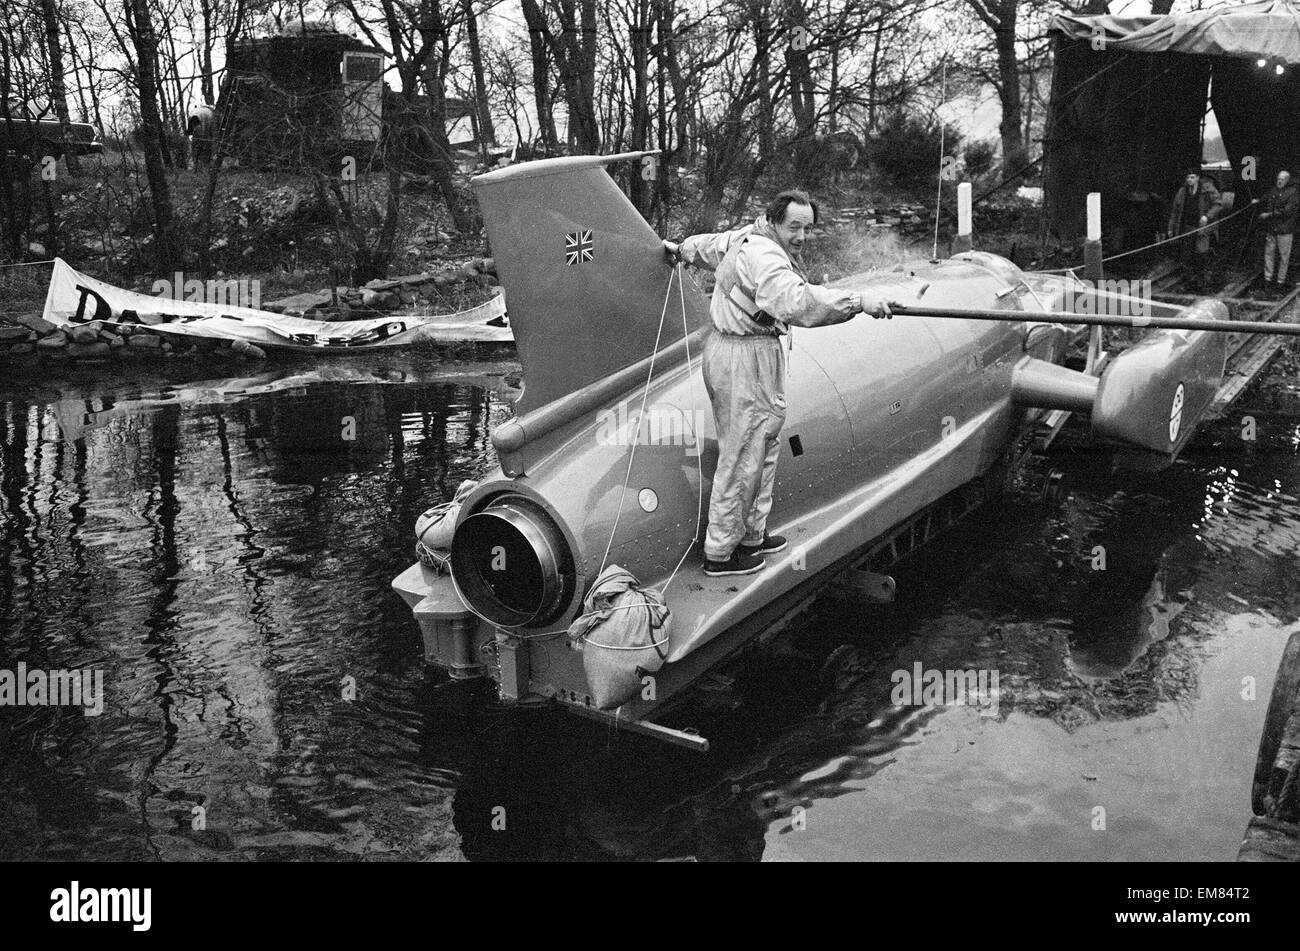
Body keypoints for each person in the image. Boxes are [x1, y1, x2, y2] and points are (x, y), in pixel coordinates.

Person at [663, 190, 891, 577]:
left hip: (739, 351)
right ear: (773, 222)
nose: (801, 236)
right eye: (793, 227)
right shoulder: (765, 256)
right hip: (744, 357)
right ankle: (721, 552)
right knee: (743, 451)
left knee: (763, 442)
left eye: (807, 228)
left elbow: (708, 246)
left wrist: (681, 249)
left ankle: (751, 535)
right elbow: (796, 301)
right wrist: (858, 302)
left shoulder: (745, 237)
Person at [1166, 168, 1224, 292]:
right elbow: (1175, 211)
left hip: (1202, 228)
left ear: (1198, 178)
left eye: (1192, 177)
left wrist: (1207, 216)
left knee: (1201, 254)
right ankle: (1190, 282)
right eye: (1188, 178)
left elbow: (1218, 204)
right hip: (1186, 228)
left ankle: (1202, 282)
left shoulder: (1207, 189)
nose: (1189, 180)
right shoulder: (1182, 192)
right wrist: (1171, 228)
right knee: (1186, 256)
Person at [1258, 169, 1298, 294]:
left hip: (1284, 230)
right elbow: (1266, 197)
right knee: (1269, 254)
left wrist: (1268, 215)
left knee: (1284, 257)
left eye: (1282, 179)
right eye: (1278, 179)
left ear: (1287, 180)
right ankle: (1267, 280)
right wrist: (1258, 200)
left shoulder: (1293, 193)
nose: (1279, 181)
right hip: (1272, 229)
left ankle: (1280, 281)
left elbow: (1287, 211)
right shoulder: (1274, 190)